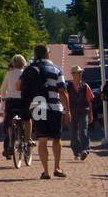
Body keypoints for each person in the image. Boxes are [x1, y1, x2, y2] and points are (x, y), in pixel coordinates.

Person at [20, 43, 71, 180]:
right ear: (48, 54)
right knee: (56, 138)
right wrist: (67, 110)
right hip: (54, 106)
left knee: (42, 138)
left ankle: (46, 171)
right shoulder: (56, 69)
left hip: (37, 104)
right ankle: (57, 168)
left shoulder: (29, 69)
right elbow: (62, 91)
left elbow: (19, 86)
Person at [0, 54, 28, 158]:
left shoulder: (9, 74)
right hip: (22, 100)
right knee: (26, 119)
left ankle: (10, 143)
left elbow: (3, 89)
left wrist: (3, 98)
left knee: (10, 121)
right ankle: (27, 137)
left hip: (10, 100)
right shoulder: (25, 73)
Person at [67, 66, 95, 161]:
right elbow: (65, 100)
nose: (78, 75)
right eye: (76, 72)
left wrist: (91, 114)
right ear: (72, 74)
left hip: (83, 111)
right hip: (72, 112)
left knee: (83, 131)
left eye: (79, 73)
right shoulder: (68, 87)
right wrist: (66, 113)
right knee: (73, 133)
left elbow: (90, 101)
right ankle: (77, 152)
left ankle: (85, 149)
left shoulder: (85, 86)